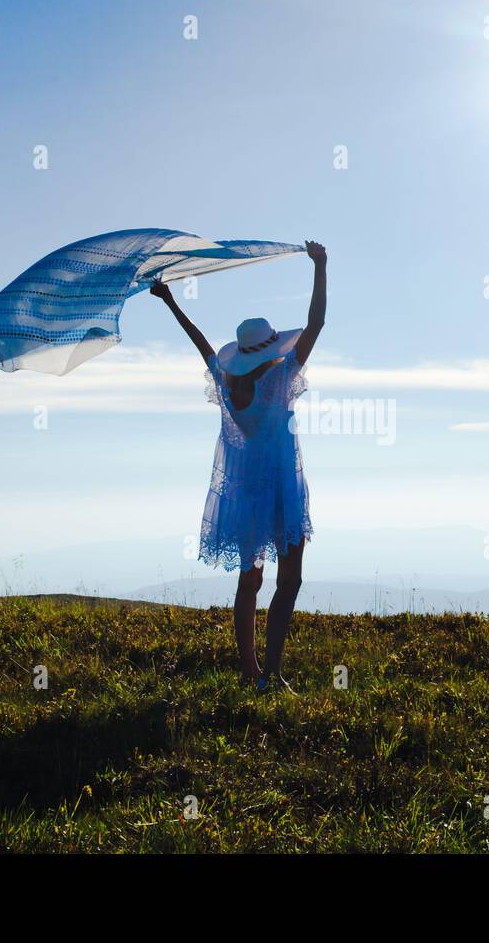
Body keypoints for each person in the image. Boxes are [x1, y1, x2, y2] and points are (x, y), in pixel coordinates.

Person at [150, 240, 327, 691]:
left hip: (246, 491)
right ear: (268, 349)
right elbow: (316, 322)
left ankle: (251, 672)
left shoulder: (227, 385)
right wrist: (319, 265)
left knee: (250, 582)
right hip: (283, 485)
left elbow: (201, 342)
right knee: (289, 581)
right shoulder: (283, 374)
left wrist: (170, 301)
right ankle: (272, 672)